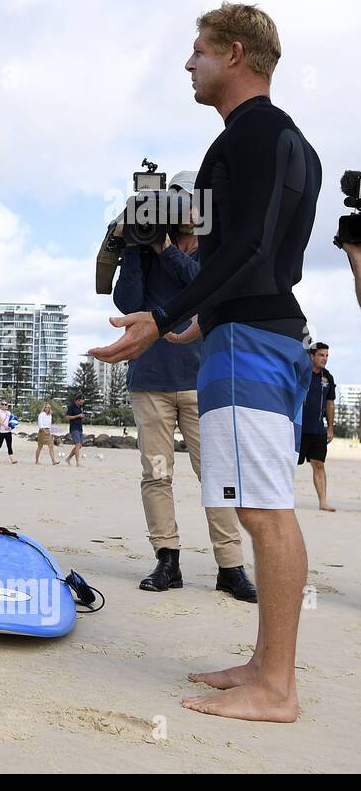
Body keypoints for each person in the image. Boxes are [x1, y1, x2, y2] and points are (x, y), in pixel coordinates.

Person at [90, 3, 320, 722]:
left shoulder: (257, 135)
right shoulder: (269, 141)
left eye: (199, 52)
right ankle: (262, 663)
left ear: (238, 54)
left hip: (252, 340)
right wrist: (197, 326)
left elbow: (253, 253)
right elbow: (267, 259)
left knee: (264, 512)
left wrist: (164, 318)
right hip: (243, 335)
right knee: (253, 506)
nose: (188, 65)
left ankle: (277, 688)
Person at [113, 202, 255, 601]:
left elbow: (204, 290)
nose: (183, 213)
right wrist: (132, 246)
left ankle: (231, 566)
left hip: (202, 384)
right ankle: (167, 559)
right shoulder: (144, 250)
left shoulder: (214, 250)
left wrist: (166, 250)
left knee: (215, 475)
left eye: (189, 203)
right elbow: (127, 302)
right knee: (157, 473)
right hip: (151, 383)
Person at [297, 342, 335, 512]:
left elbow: (330, 404)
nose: (325, 359)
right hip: (297, 428)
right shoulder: (300, 373)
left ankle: (323, 502)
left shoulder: (327, 377)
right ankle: (280, 500)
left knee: (319, 464)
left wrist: (330, 428)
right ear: (312, 356)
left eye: (326, 355)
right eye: (321, 355)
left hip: (318, 429)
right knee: (288, 464)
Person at [64, 395, 86, 466]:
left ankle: (68, 459)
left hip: (80, 428)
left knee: (79, 446)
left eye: (83, 402)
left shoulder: (80, 408)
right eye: (81, 402)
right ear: (77, 400)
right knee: (77, 445)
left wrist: (82, 417)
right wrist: (77, 416)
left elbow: (80, 417)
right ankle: (77, 463)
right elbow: (67, 417)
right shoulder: (71, 407)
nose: (82, 403)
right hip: (74, 428)